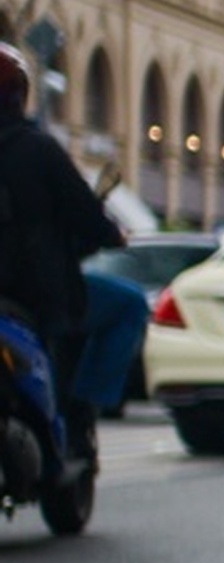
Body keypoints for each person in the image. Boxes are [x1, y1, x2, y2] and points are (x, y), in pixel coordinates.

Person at [0, 41, 120, 428]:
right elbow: (86, 214)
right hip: (37, 291)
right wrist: (112, 234)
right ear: (19, 96)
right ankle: (82, 411)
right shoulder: (39, 149)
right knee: (129, 305)